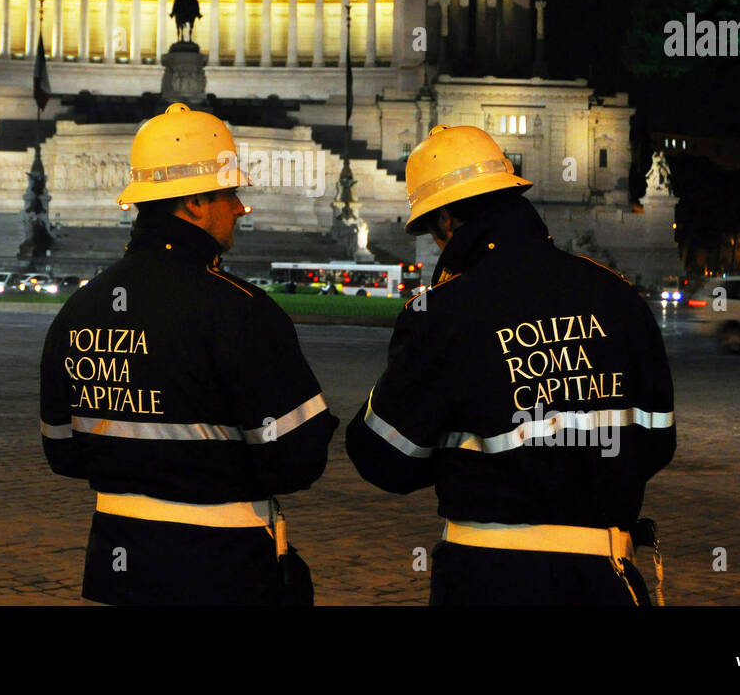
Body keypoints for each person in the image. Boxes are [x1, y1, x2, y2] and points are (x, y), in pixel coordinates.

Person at [346, 124, 676, 605]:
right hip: (607, 576)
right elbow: (657, 441)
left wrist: (460, 456)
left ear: (446, 222)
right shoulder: (617, 295)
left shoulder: (445, 311)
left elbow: (384, 457)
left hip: (487, 578)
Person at [40, 102, 338, 605]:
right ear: (196, 202)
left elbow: (64, 452)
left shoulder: (79, 309)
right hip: (224, 567)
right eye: (231, 192)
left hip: (116, 567)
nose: (241, 207)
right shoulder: (240, 310)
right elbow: (298, 458)